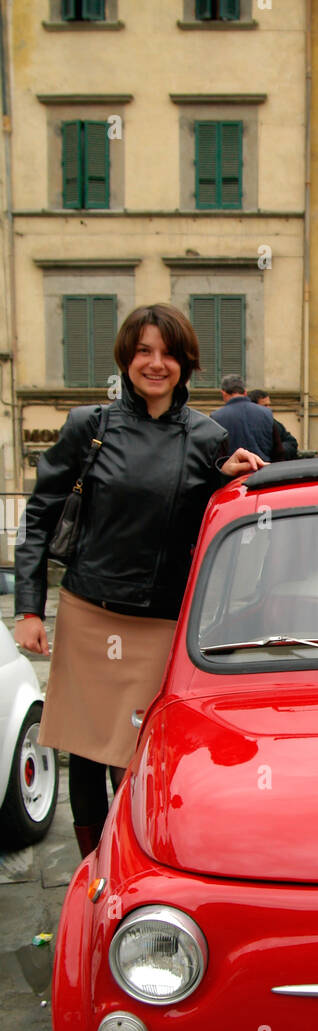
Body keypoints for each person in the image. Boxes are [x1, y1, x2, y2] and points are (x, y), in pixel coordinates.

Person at [13, 304, 265, 856]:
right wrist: (30, 608)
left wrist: (222, 480)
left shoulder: (208, 437)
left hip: (161, 621)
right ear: (126, 358)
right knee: (84, 751)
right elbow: (41, 514)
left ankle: (134, 860)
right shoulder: (90, 427)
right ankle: (93, 869)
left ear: (186, 363)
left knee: (139, 750)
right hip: (90, 610)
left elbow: (193, 528)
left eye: (168, 353)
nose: (156, 363)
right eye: (144, 351)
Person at [211, 375, 298, 461]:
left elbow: (212, 453)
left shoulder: (216, 418)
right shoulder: (266, 414)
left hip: (232, 473)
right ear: (245, 392)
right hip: (263, 471)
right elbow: (278, 451)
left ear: (223, 393)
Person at [248, 389, 299, 460]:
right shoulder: (246, 425)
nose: (269, 408)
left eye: (269, 405)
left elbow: (291, 442)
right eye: (265, 405)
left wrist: (280, 449)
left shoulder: (274, 423)